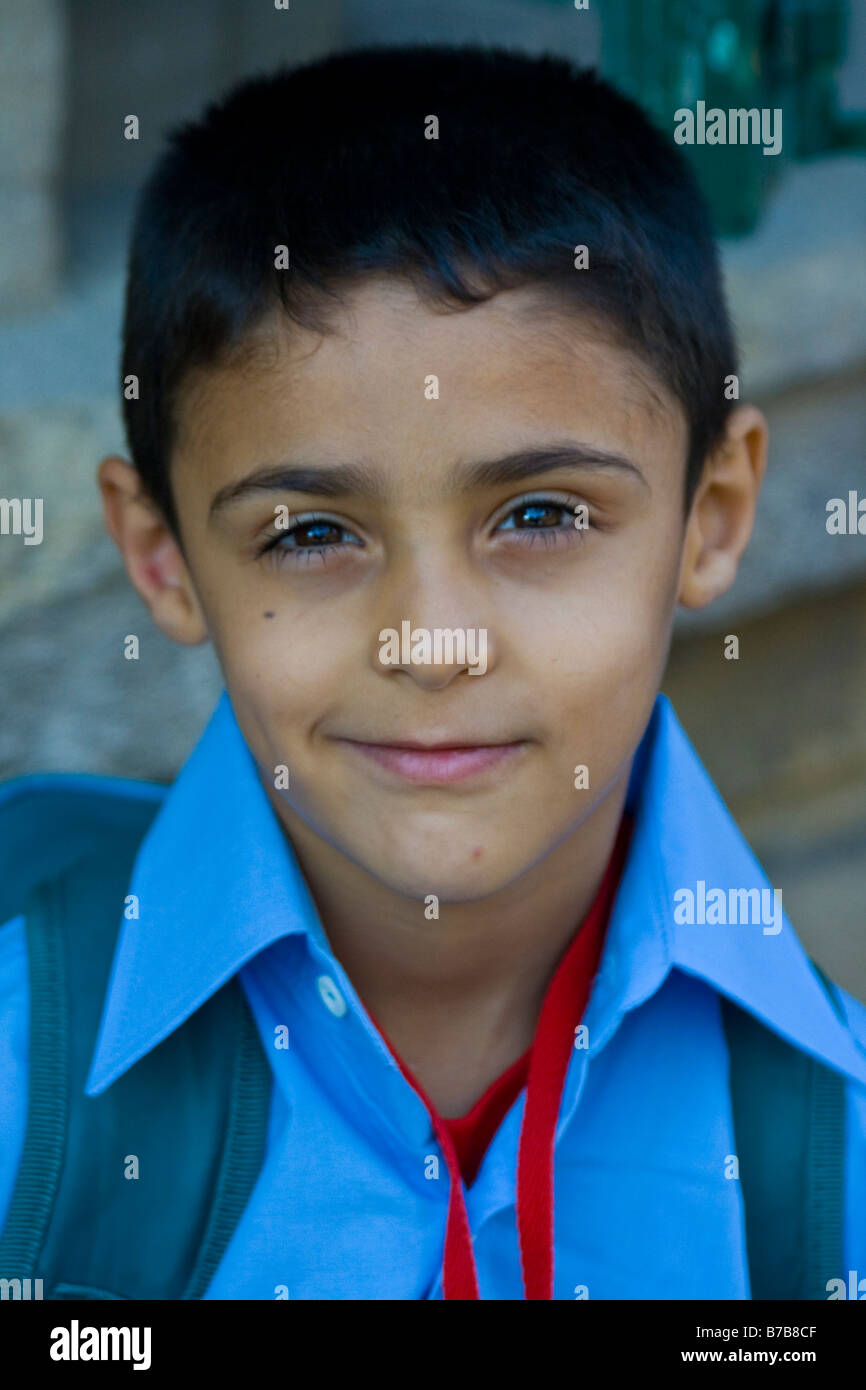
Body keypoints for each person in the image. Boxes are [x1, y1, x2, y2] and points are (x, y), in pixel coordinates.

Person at [2, 44, 865, 1301]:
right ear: (163, 555)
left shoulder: (827, 1157)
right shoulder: (27, 1072)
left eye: (541, 516)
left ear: (711, 513)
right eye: (310, 534)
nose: (432, 641)